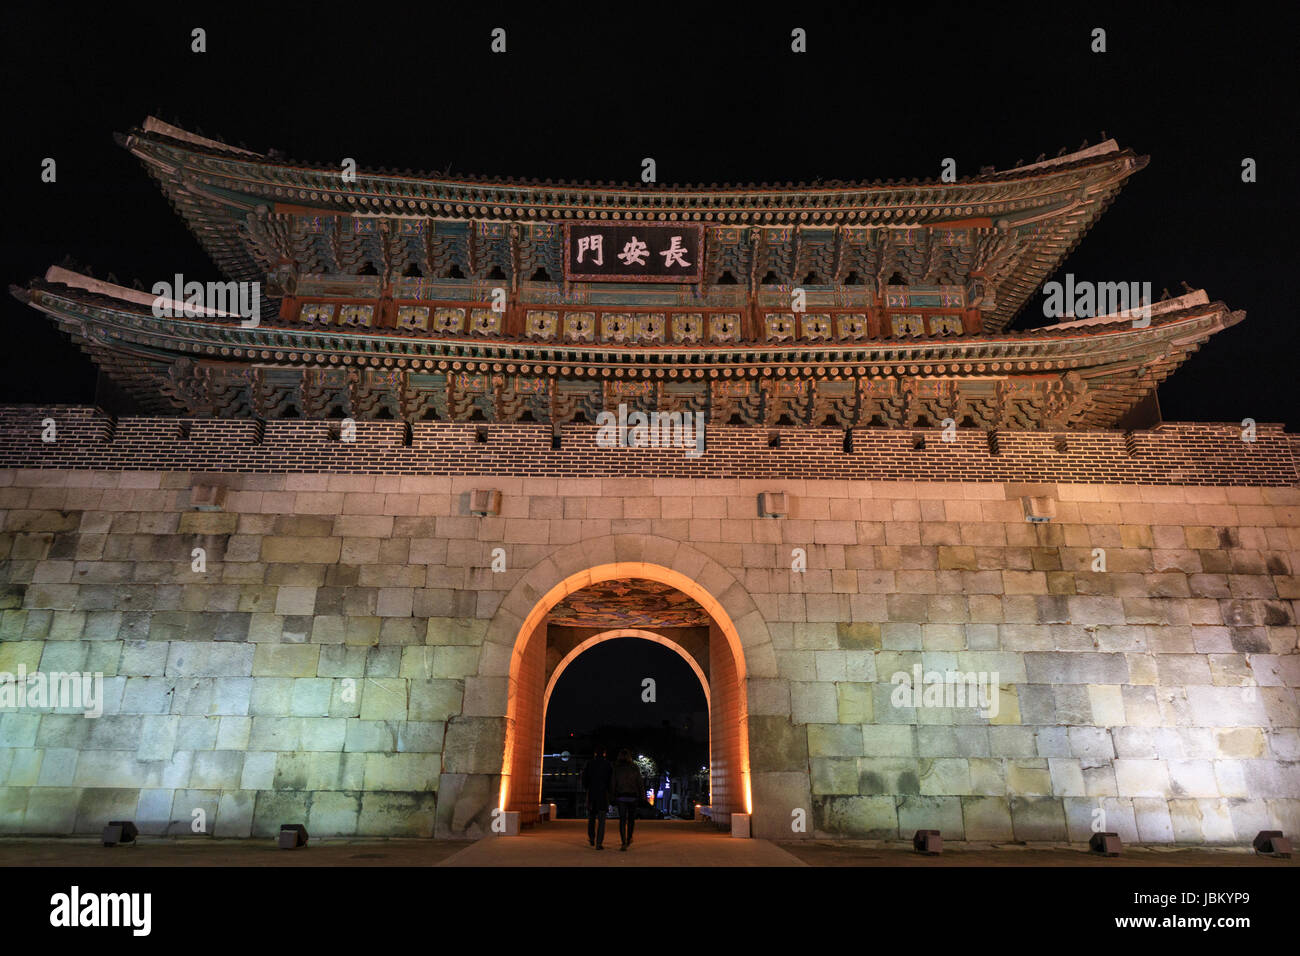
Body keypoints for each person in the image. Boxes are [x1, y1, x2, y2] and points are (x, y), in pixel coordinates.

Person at [580, 748, 613, 849]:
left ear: (595, 753)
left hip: (592, 794)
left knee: (592, 818)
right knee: (602, 820)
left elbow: (584, 778)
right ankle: (599, 842)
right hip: (603, 794)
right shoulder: (608, 764)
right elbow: (610, 780)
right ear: (604, 754)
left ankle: (591, 837)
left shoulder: (589, 763)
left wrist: (587, 788)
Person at [611, 749, 642, 851]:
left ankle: (623, 842)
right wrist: (642, 795)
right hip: (633, 796)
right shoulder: (634, 767)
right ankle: (629, 838)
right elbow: (639, 782)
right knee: (631, 819)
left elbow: (613, 783)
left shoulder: (617, 768)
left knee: (622, 820)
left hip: (621, 796)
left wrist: (612, 795)